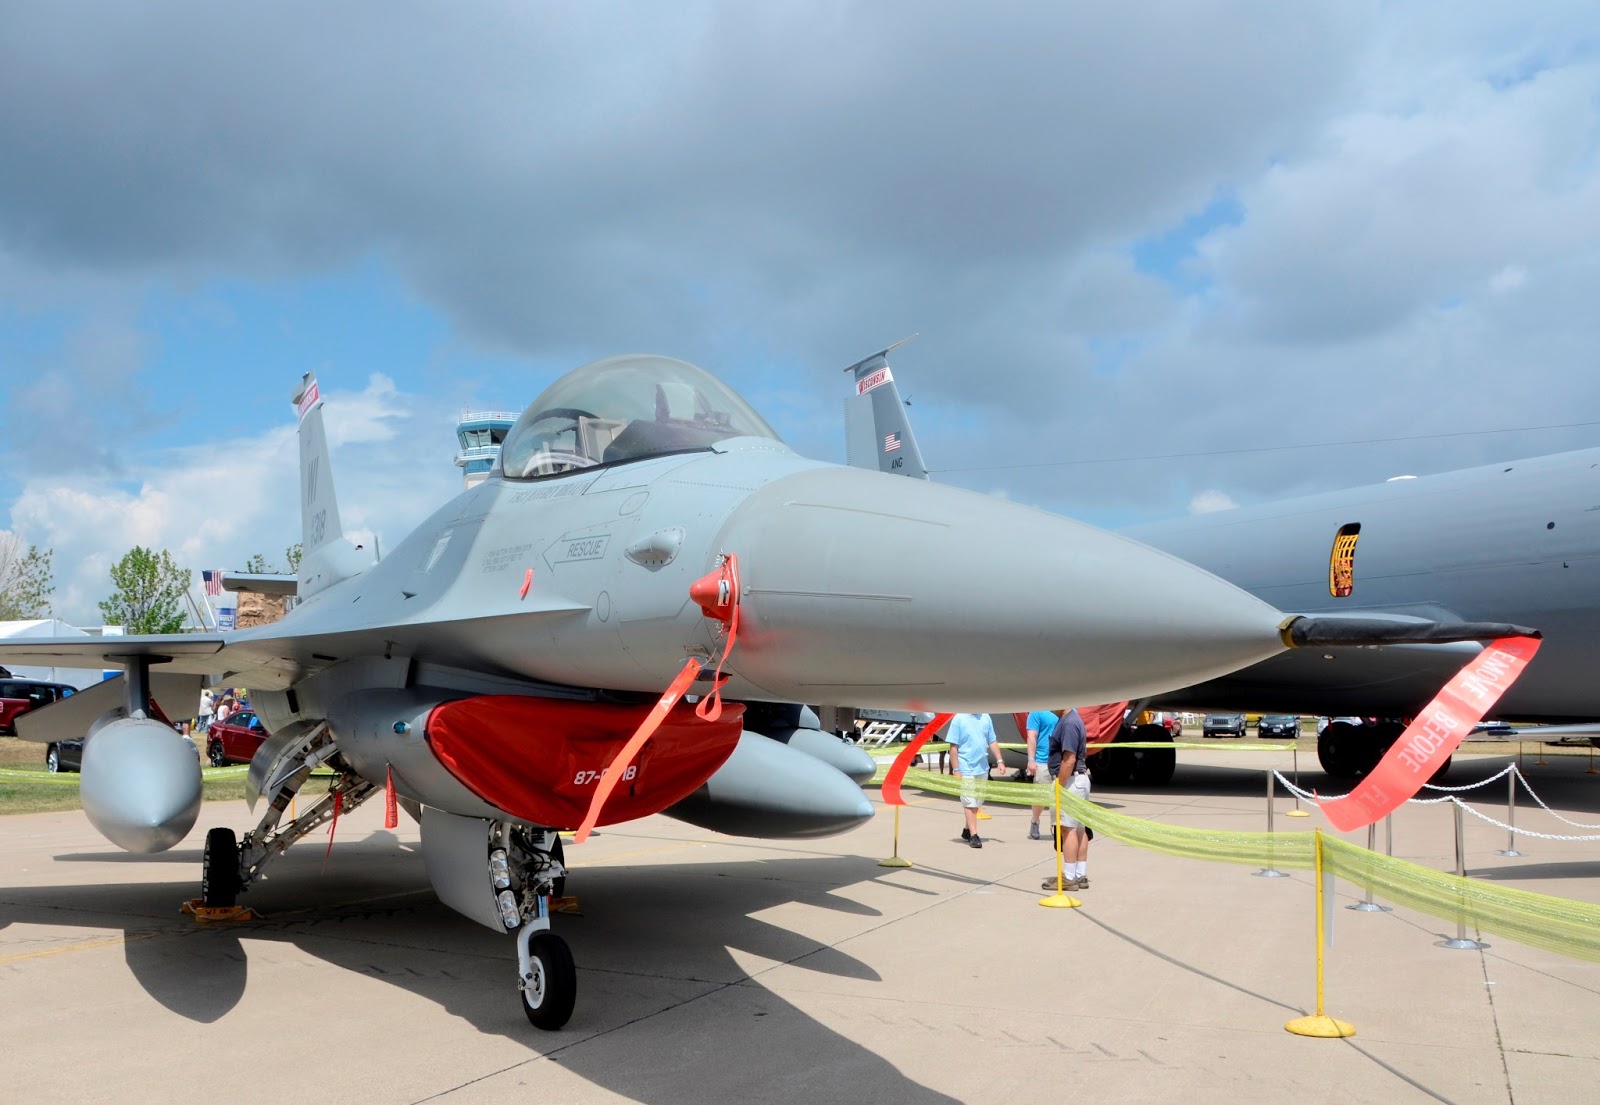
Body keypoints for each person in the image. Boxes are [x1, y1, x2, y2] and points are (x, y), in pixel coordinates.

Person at [1043, 707, 1092, 890]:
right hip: (1078, 780)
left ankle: (1069, 877)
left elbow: (1069, 759)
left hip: (1070, 782)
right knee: (1079, 828)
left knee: (1068, 829)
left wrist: (1058, 787)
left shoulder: (1069, 723)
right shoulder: (1071, 720)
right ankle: (1079, 874)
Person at [946, 712, 1003, 848]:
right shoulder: (958, 718)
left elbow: (992, 741)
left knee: (977, 802)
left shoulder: (986, 717)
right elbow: (953, 747)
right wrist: (956, 769)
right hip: (965, 767)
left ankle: (967, 829)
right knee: (969, 802)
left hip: (982, 767)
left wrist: (1000, 760)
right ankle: (974, 835)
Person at [1024, 709, 1059, 839]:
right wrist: (1031, 760)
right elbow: (1031, 736)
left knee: (1058, 798)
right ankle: (1035, 820)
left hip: (1061, 761)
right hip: (1043, 761)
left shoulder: (1068, 710)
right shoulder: (1037, 711)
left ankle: (1056, 826)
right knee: (1041, 797)